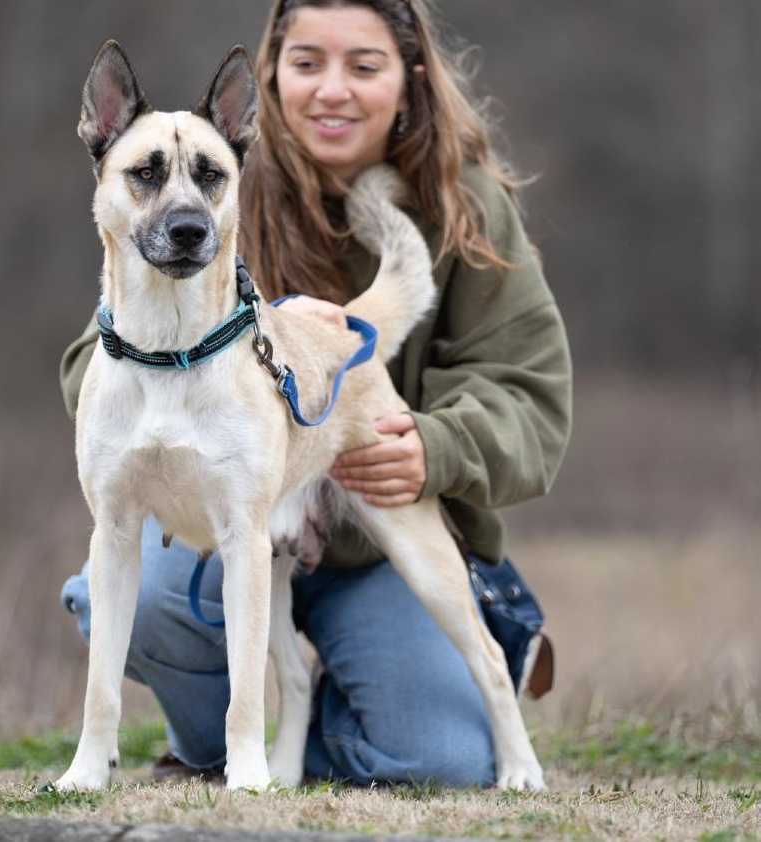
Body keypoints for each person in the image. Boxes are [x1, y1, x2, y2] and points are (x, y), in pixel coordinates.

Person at [59, 0, 572, 788]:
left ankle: (359, 708)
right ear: (269, 81)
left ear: (411, 81)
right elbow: (97, 361)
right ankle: (227, 747)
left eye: (363, 66)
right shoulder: (224, 178)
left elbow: (528, 396)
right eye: (307, 64)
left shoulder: (464, 205)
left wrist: (433, 448)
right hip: (218, 525)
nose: (333, 88)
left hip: (369, 519)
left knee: (438, 759)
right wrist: (247, 332)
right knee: (119, 594)